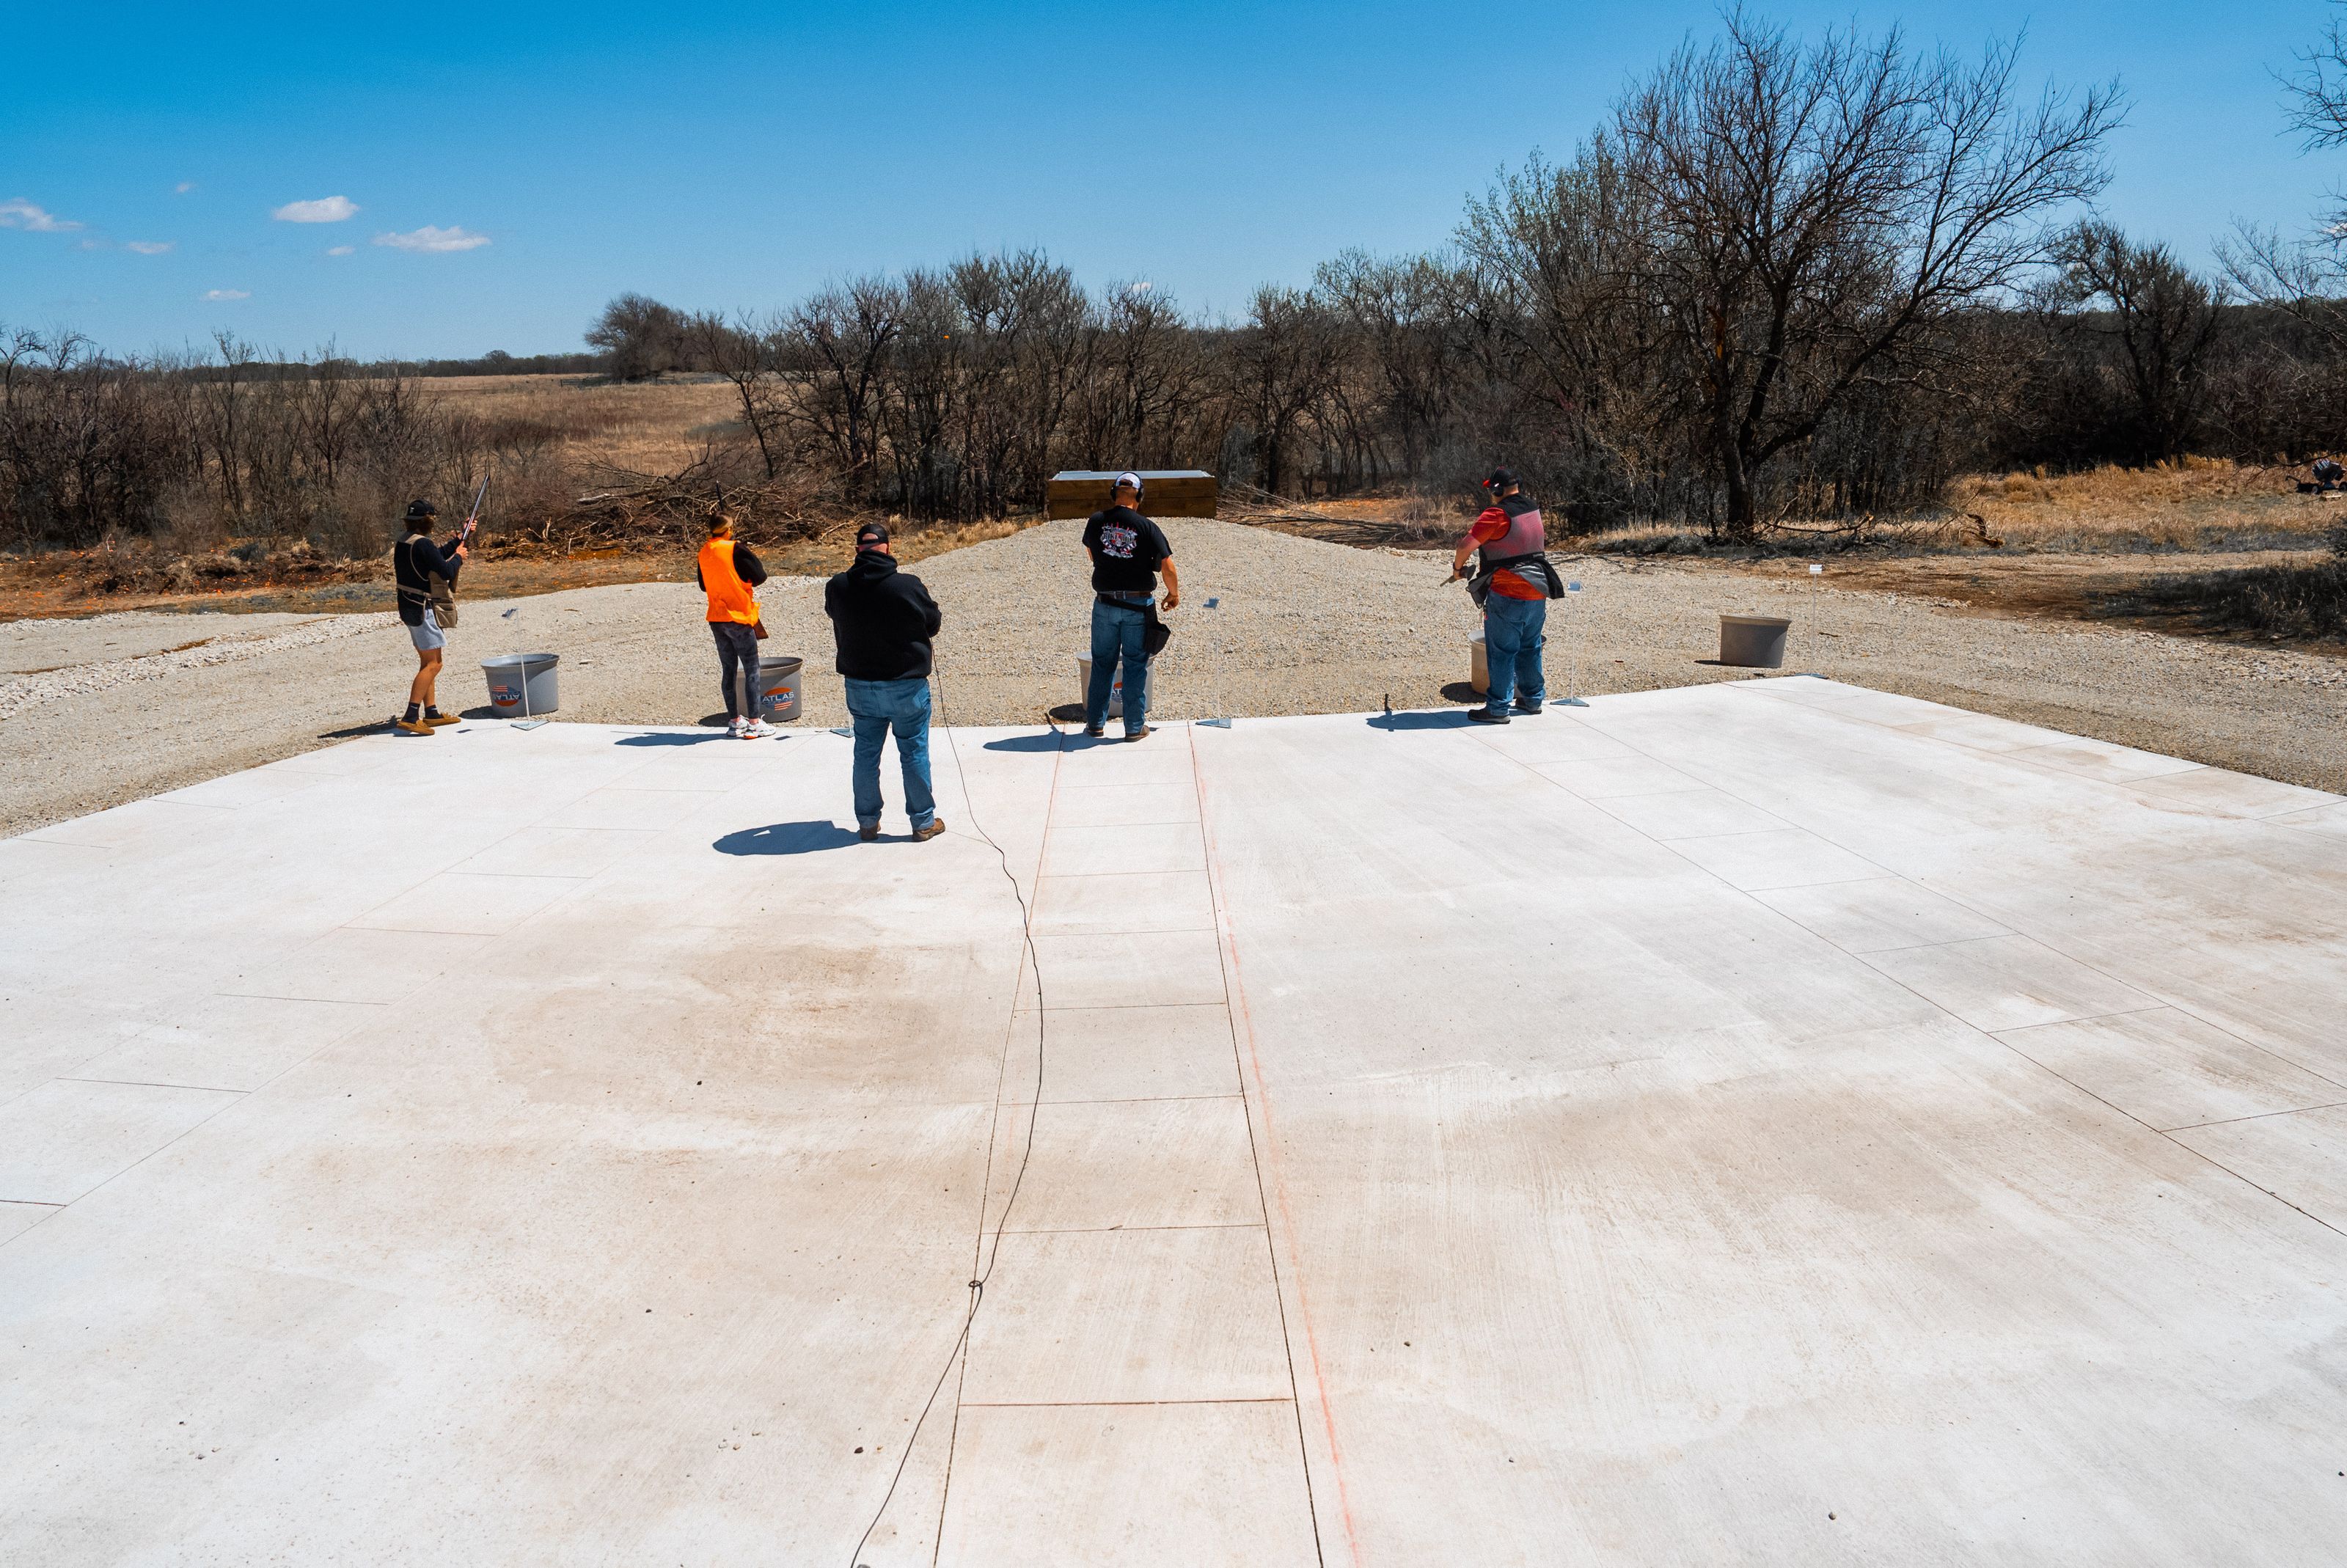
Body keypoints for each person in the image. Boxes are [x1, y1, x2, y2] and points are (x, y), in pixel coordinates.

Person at [824, 522, 947, 843]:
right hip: (906, 686)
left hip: (860, 686)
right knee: (914, 752)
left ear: (857, 550)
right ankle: (923, 822)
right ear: (888, 549)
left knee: (866, 754)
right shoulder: (907, 585)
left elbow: (833, 614)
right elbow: (933, 623)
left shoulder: (837, 586)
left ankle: (867, 823)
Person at [1450, 466, 1560, 725]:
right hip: (1538, 590)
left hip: (1508, 592)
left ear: (1497, 490)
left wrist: (1457, 570)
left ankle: (1498, 708)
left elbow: (1465, 545)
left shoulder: (1497, 514)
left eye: (1492, 489)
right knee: (1530, 646)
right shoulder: (1533, 508)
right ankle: (1533, 699)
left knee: (1501, 651)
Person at [1081, 472, 1179, 740]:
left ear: (1114, 493)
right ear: (1140, 496)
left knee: (1102, 663)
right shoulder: (1147, 527)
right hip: (1138, 605)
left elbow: (1091, 552)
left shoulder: (1096, 521)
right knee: (1136, 664)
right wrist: (1174, 593)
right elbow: (1167, 566)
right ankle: (1134, 728)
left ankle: (1095, 725)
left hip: (1105, 603)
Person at [392, 499, 469, 736]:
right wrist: (459, 556)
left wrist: (458, 540)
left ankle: (431, 712)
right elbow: (445, 571)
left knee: (427, 663)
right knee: (434, 664)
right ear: (427, 520)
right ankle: (411, 716)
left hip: (410, 607)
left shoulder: (405, 541)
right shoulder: (423, 543)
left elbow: (434, 556)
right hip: (423, 609)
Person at [696, 513, 775, 739]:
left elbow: (703, 585)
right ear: (728, 530)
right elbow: (760, 576)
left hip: (717, 618)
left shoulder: (704, 552)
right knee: (752, 669)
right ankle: (754, 722)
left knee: (728, 670)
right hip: (738, 616)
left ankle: (735, 722)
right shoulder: (736, 549)